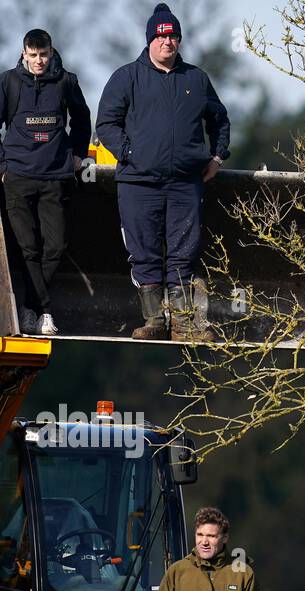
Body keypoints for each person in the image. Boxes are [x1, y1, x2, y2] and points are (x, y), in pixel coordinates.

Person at [95, 3, 231, 341]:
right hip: (138, 182)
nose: (166, 42)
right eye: (161, 36)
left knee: (184, 253)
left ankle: (184, 325)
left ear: (179, 41)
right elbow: (106, 124)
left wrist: (217, 156)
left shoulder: (196, 79)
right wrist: (129, 153)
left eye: (173, 37)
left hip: (185, 183)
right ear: (150, 40)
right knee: (144, 252)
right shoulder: (126, 77)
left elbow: (220, 121)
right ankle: (155, 321)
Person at [0, 27, 92, 337]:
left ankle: (31, 307)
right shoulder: (7, 83)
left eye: (44, 55)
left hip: (55, 176)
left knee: (55, 246)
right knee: (27, 247)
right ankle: (41, 313)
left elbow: (82, 119)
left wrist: (79, 155)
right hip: (17, 177)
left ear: (51, 52)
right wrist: (2, 168)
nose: (39, 61)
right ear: (23, 54)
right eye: (33, 55)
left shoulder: (66, 81)